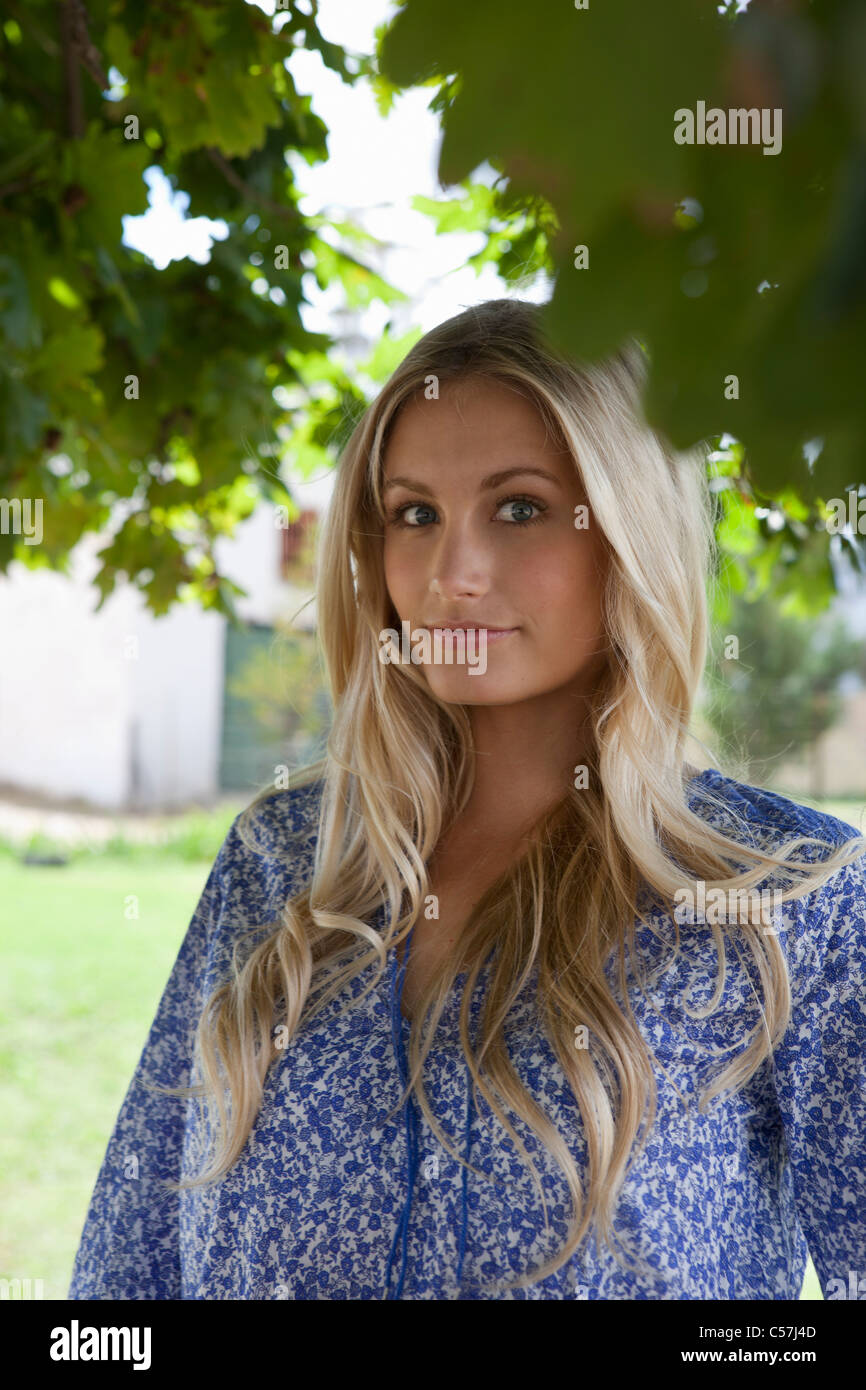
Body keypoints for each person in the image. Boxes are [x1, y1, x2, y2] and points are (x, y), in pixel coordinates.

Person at [69, 298, 866, 1300]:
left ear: (629, 535)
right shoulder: (281, 859)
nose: (451, 575)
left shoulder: (793, 902)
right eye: (414, 514)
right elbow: (123, 1277)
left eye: (518, 507)